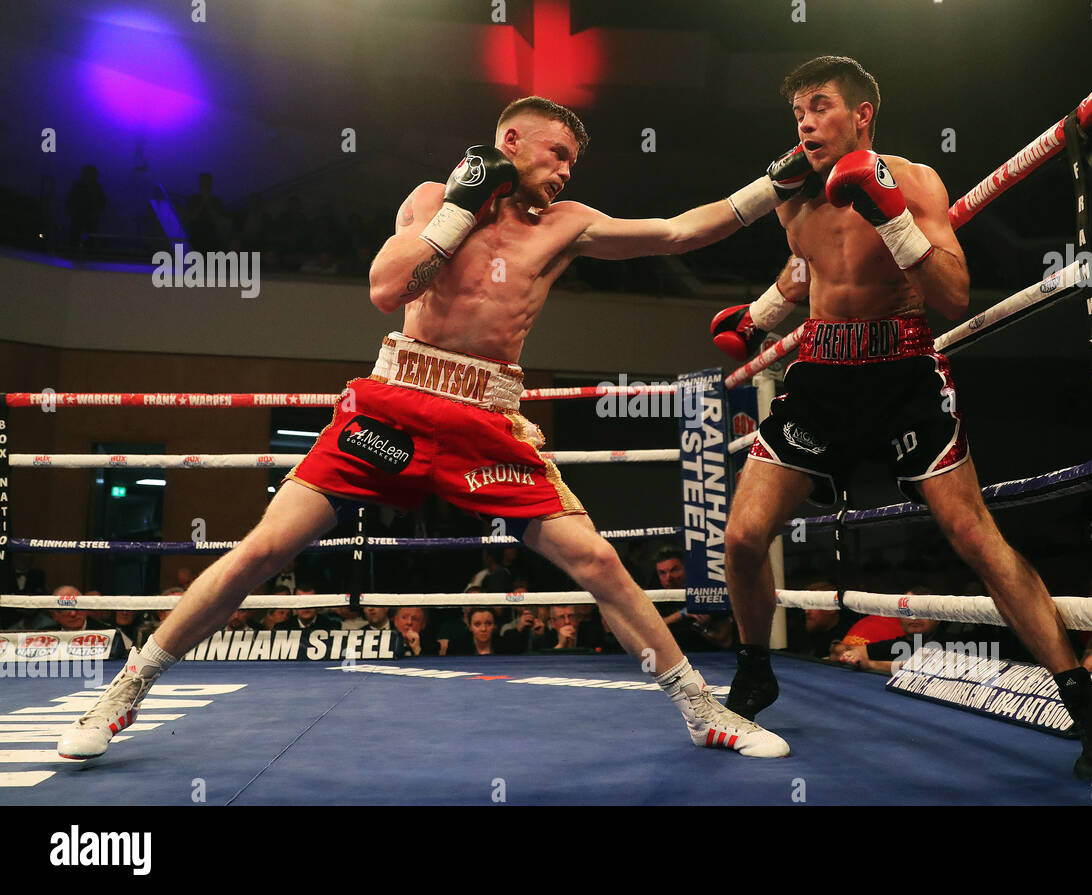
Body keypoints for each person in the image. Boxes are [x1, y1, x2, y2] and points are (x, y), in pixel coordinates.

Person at [59, 95, 808, 761]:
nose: (568, 172)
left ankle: (701, 708)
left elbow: (677, 233)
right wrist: (460, 206)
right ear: (511, 141)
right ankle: (123, 691)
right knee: (262, 548)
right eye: (558, 153)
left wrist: (775, 180)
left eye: (574, 161)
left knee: (600, 563)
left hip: (487, 421)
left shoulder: (569, 226)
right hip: (393, 406)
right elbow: (388, 289)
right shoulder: (431, 198)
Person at [711, 56, 1092, 779]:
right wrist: (758, 318)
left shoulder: (914, 181)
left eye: (820, 106)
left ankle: (1086, 707)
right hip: (819, 376)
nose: (806, 122)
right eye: (798, 113)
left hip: (903, 370)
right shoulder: (793, 192)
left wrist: (889, 212)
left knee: (976, 537)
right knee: (744, 537)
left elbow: (955, 292)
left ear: (862, 114)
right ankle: (755, 666)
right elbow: (811, 266)